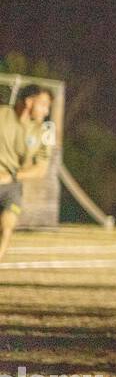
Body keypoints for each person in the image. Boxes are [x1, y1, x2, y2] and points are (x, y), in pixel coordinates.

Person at [0, 84, 55, 263]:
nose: (46, 112)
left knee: (7, 226)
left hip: (12, 185)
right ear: (29, 101)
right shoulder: (2, 115)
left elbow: (41, 169)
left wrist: (12, 176)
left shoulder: (44, 131)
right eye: (44, 104)